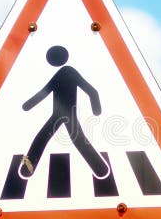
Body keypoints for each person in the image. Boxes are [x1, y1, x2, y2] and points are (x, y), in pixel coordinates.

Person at [19, 45, 110, 180]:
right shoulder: (66, 73)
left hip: (63, 115)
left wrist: (97, 110)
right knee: (76, 140)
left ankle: (101, 169)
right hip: (62, 115)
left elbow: (45, 92)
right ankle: (101, 168)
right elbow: (91, 91)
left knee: (45, 138)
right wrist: (96, 109)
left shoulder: (67, 73)